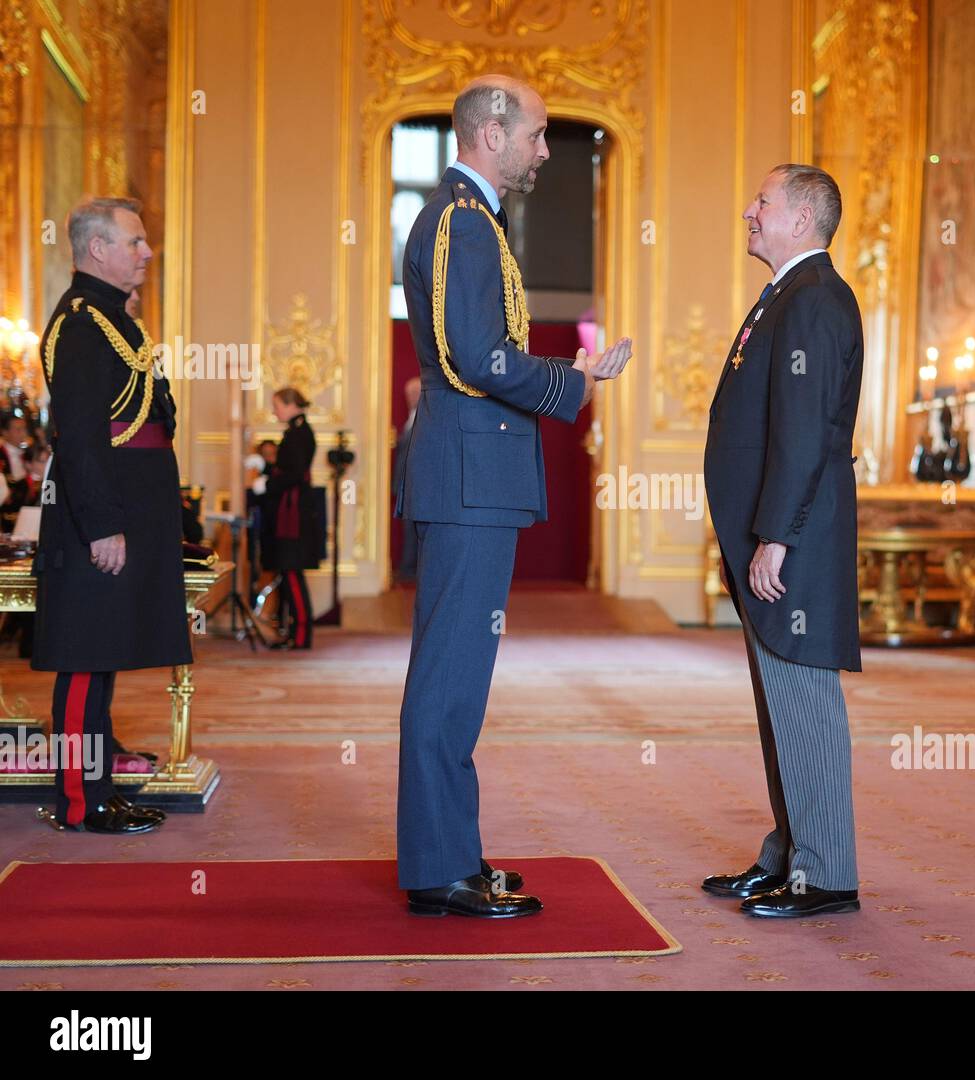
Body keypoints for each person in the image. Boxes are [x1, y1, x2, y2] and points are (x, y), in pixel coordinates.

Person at [395, 74, 631, 919]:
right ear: (490, 132)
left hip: (471, 472)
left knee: (457, 674)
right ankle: (439, 871)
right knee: (451, 676)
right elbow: (476, 357)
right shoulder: (461, 219)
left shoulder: (470, 219)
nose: (542, 149)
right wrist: (569, 379)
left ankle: (449, 854)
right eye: (534, 133)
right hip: (468, 474)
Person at [702, 164, 864, 918]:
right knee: (781, 707)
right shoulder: (790, 296)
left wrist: (775, 538)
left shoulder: (816, 300)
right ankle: (789, 856)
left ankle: (825, 873)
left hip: (791, 541)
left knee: (805, 700)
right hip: (771, 538)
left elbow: (805, 435)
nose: (747, 210)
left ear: (801, 217)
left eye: (761, 201)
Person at [33, 196, 190, 833]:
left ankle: (100, 788)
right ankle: (79, 800)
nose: (147, 252)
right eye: (135, 242)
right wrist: (102, 523)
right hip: (98, 516)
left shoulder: (115, 319)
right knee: (82, 659)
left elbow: (156, 412)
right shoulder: (79, 323)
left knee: (103, 654)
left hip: (133, 506)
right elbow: (78, 434)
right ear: (98, 248)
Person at [253, 387, 320, 649]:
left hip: (294, 514)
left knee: (292, 573)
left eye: (277, 405)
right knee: (289, 572)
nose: (274, 410)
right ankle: (294, 633)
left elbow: (293, 475)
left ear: (292, 405)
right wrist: (266, 469)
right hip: (290, 511)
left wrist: (267, 484)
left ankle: (301, 635)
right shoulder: (296, 431)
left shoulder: (298, 434)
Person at [392, 376, 421, 582]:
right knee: (408, 529)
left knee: (415, 531)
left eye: (415, 393)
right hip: (406, 484)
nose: (411, 397)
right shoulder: (411, 417)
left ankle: (412, 571)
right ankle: (408, 569)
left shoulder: (425, 419)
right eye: (409, 394)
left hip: (418, 486)